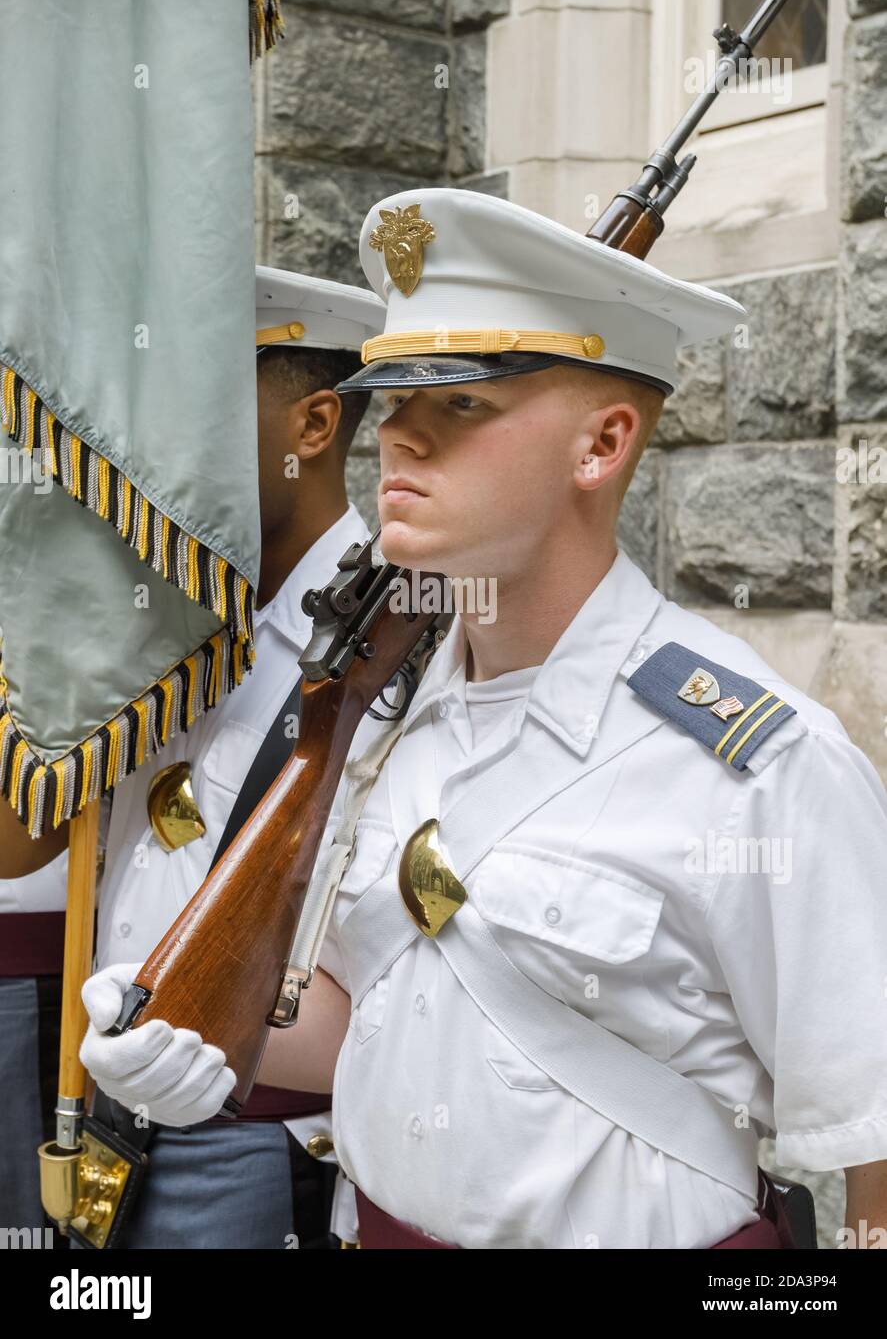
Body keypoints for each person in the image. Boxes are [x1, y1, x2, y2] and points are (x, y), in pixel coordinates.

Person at [80, 189, 887, 1249]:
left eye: (462, 402)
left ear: (600, 444)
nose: (399, 432)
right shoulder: (396, 711)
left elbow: (869, 1144)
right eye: (396, 393)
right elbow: (389, 1017)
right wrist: (177, 1032)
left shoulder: (757, 762)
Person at [1, 266, 382, 1249]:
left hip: (261, 1132)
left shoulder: (402, 630)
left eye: (194, 407)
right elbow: (17, 844)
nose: (155, 441)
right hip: (105, 1104)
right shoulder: (156, 606)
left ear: (313, 426)